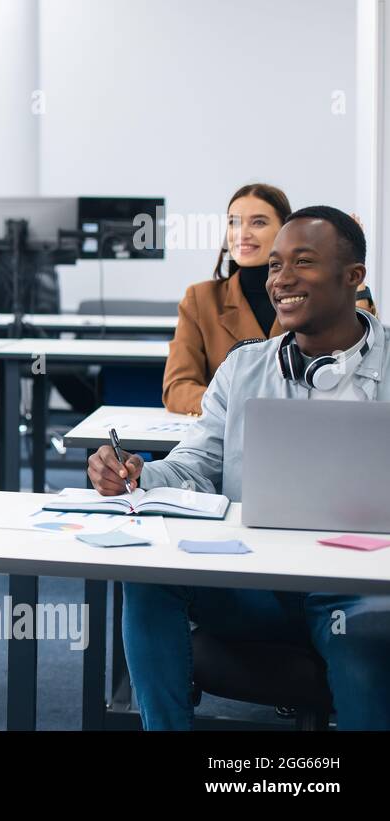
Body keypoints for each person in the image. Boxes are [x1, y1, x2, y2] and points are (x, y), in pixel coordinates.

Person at [90, 206, 390, 730]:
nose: (282, 279)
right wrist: (140, 474)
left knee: (363, 639)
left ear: (353, 277)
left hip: (359, 588)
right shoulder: (245, 366)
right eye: (275, 266)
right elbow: (198, 463)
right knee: (148, 580)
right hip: (256, 578)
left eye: (303, 263)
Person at [164, 183, 376, 414]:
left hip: (308, 429)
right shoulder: (201, 298)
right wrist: (241, 406)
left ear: (286, 232)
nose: (242, 233)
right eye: (234, 222)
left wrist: (345, 262)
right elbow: (177, 388)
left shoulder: (315, 296)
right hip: (230, 434)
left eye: (258, 222)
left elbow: (362, 361)